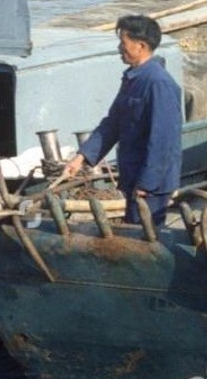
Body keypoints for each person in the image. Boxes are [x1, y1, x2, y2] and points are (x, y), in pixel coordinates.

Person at [62, 14, 182, 229]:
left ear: (141, 46)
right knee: (132, 233)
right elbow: (113, 123)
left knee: (145, 238)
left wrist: (148, 183)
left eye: (123, 43)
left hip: (150, 182)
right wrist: (81, 158)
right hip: (132, 174)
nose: (119, 48)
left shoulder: (158, 83)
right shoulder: (133, 78)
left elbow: (163, 139)